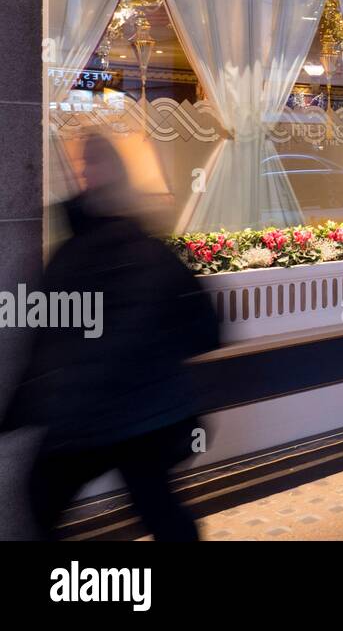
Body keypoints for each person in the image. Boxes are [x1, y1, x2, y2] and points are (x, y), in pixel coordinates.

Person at [3, 133, 220, 541]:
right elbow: (204, 328)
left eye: (93, 165)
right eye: (84, 166)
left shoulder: (91, 251)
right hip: (139, 414)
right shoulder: (139, 247)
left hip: (100, 417)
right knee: (157, 507)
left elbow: (50, 337)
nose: (86, 174)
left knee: (49, 498)